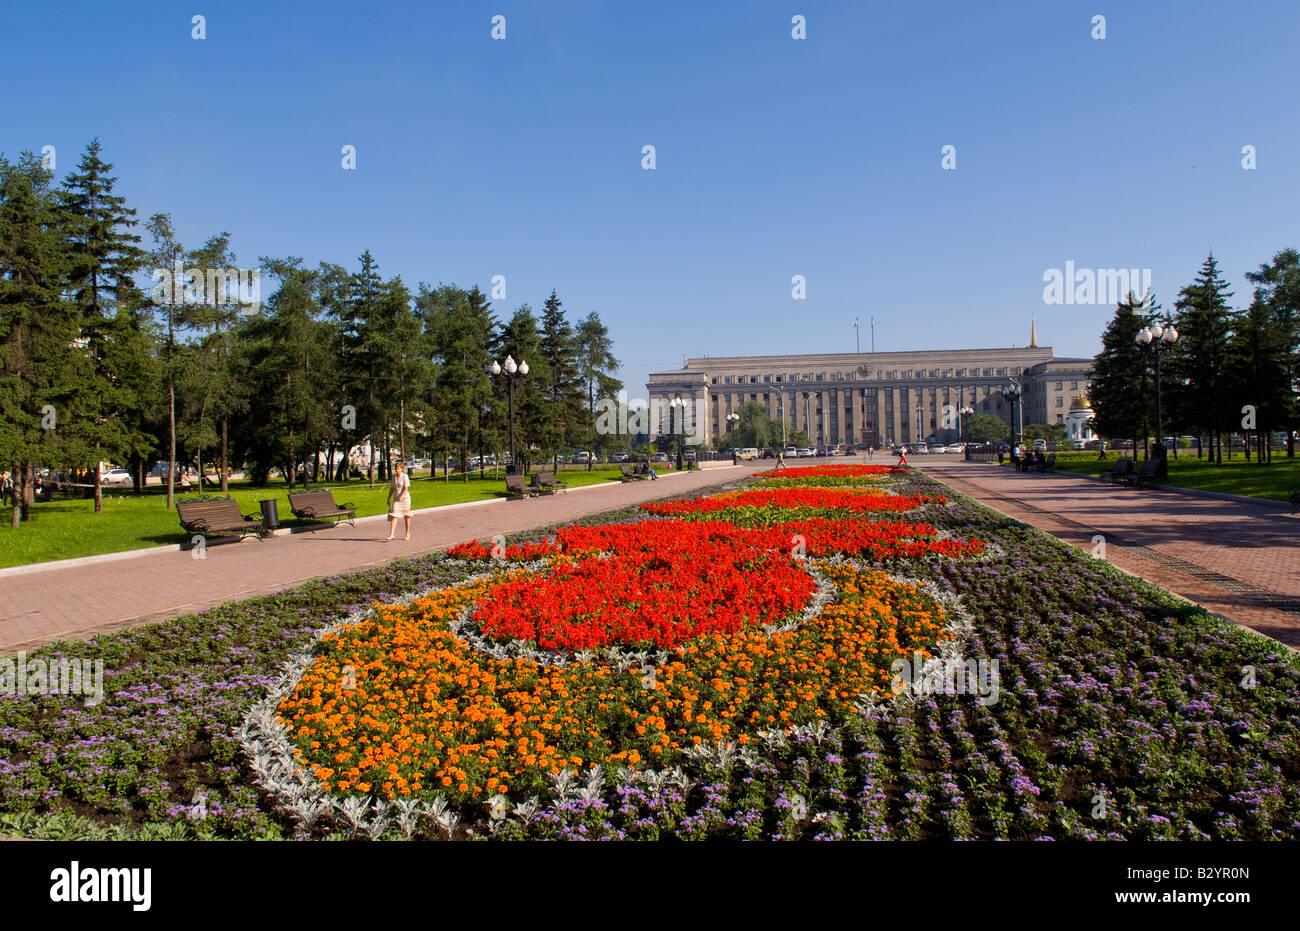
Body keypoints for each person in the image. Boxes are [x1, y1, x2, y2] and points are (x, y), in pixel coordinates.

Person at [386, 459, 412, 541]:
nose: (397, 470)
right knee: (394, 515)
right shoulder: (394, 477)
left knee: (406, 516)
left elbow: (406, 488)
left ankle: (407, 533)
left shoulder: (405, 476)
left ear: (401, 469)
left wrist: (402, 496)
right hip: (396, 499)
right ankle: (391, 534)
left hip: (405, 499)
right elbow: (392, 488)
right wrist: (388, 498)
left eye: (398, 468)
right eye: (396, 468)